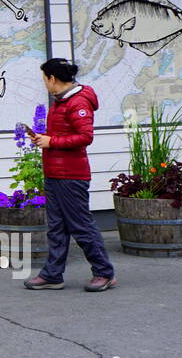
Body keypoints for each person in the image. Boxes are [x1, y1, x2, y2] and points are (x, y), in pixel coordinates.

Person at [25, 57, 117, 293]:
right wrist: (43, 139)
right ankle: (52, 275)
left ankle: (104, 273)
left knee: (81, 226)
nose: (44, 83)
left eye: (44, 78)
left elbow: (85, 137)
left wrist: (51, 141)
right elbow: (63, 133)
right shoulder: (62, 100)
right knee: (56, 227)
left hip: (71, 175)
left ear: (52, 79)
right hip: (55, 173)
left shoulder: (78, 102)